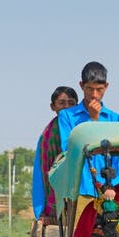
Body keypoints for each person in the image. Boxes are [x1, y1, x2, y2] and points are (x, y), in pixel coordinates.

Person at [58, 61, 119, 198]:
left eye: (99, 89)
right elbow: (68, 151)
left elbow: (117, 158)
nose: (94, 95)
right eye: (89, 88)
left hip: (108, 191)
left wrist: (111, 185)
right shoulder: (67, 116)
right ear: (81, 85)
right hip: (78, 191)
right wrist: (92, 121)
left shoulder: (114, 118)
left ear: (106, 87)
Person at [32, 85, 78, 221]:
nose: (67, 107)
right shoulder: (48, 135)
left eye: (71, 103)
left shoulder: (80, 127)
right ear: (53, 107)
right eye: (61, 103)